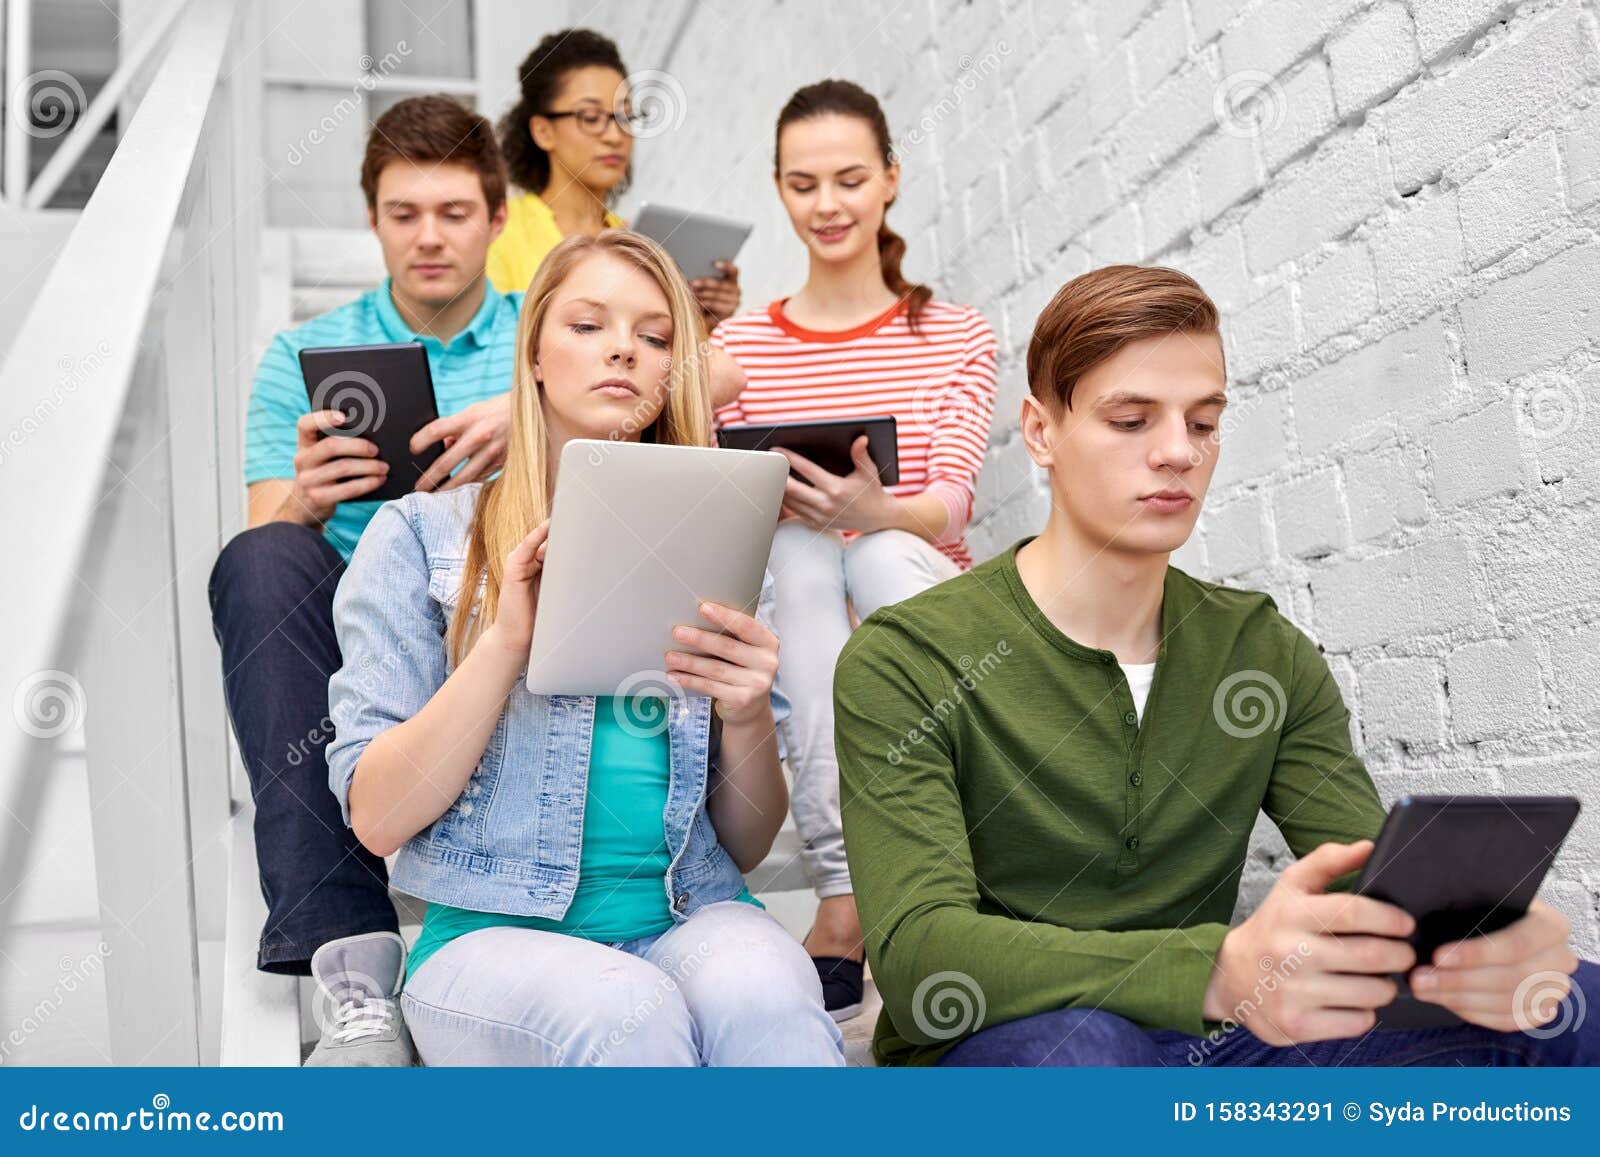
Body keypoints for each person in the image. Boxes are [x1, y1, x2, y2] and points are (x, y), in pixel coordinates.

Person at [834, 264, 1598, 1067]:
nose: (1177, 453)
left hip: (1218, 1042)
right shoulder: (905, 659)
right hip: (1021, 1052)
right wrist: (1214, 967)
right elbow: (922, 961)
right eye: (1131, 419)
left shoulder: (1260, 653)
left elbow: (1365, 882)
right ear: (1039, 431)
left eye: (1202, 423)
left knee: (1573, 1001)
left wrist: (1480, 937)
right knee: (1083, 1054)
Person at [325, 229, 844, 1067]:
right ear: (533, 354)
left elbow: (746, 845)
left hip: (688, 909)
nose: (623, 352)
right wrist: (506, 642)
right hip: (488, 938)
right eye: (588, 325)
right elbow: (379, 817)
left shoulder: (722, 541)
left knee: (774, 997)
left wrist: (746, 714)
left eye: (654, 336)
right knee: (625, 1011)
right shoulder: (421, 536)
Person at [208, 95, 523, 1067]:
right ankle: (352, 966)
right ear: (372, 217)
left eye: (454, 212)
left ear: (498, 217)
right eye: (403, 213)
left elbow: (698, 369)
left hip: (503, 603)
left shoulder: (552, 337)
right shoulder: (300, 357)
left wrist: (532, 413)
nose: (428, 237)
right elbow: (270, 551)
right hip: (365, 630)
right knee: (257, 555)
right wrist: (304, 495)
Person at [710, 79, 997, 1020]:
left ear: (889, 180)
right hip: (798, 600)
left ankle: (886, 878)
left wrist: (874, 509)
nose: (826, 206)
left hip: (913, 594)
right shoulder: (743, 344)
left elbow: (950, 513)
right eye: (802, 184)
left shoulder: (954, 335)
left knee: (866, 556)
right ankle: (846, 892)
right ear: (779, 190)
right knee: (796, 558)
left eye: (848, 179)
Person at [487, 29, 741, 328]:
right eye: (591, 118)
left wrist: (701, 320)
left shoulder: (641, 241)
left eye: (626, 117)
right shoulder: (499, 232)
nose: (614, 135)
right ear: (543, 131)